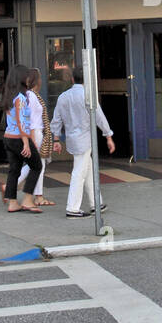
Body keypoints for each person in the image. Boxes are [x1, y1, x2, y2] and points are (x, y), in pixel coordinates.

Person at [51, 65, 115, 217]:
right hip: (85, 138)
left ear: (72, 79)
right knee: (79, 173)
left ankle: (96, 203)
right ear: (86, 80)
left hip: (72, 139)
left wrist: (56, 139)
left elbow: (56, 120)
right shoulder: (88, 95)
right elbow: (99, 117)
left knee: (88, 169)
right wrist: (108, 135)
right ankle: (73, 208)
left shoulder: (63, 97)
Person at [0, 64, 42, 214]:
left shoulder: (9, 96)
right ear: (22, 78)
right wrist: (27, 142)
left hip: (8, 138)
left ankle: (12, 202)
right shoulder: (21, 98)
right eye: (26, 75)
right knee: (37, 165)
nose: (29, 78)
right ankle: (28, 199)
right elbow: (21, 121)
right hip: (19, 138)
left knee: (14, 170)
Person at [18, 67, 54, 207]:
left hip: (38, 133)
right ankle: (37, 196)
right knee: (38, 165)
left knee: (37, 165)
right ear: (36, 80)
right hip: (36, 133)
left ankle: (37, 195)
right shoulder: (31, 96)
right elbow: (31, 120)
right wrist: (32, 140)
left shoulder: (31, 95)